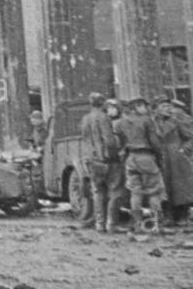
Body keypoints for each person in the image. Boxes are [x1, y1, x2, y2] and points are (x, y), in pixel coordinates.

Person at [114, 96, 167, 237]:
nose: (146, 108)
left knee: (135, 193)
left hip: (131, 159)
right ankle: (157, 226)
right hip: (146, 158)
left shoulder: (121, 122)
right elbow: (155, 143)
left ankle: (137, 225)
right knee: (153, 192)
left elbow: (120, 142)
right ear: (137, 106)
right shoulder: (147, 121)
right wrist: (160, 156)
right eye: (144, 105)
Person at [80, 93, 123, 232]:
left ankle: (99, 224)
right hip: (107, 159)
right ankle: (111, 224)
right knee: (114, 192)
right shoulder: (104, 117)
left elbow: (85, 138)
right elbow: (109, 140)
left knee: (98, 192)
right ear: (102, 103)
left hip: (92, 160)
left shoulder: (85, 118)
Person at [153, 97, 193, 226]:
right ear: (156, 109)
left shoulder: (177, 120)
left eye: (168, 106)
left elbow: (190, 137)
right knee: (163, 187)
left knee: (180, 187)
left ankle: (182, 216)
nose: (167, 109)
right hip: (160, 156)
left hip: (176, 158)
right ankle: (168, 216)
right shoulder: (152, 122)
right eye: (163, 106)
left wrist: (183, 150)